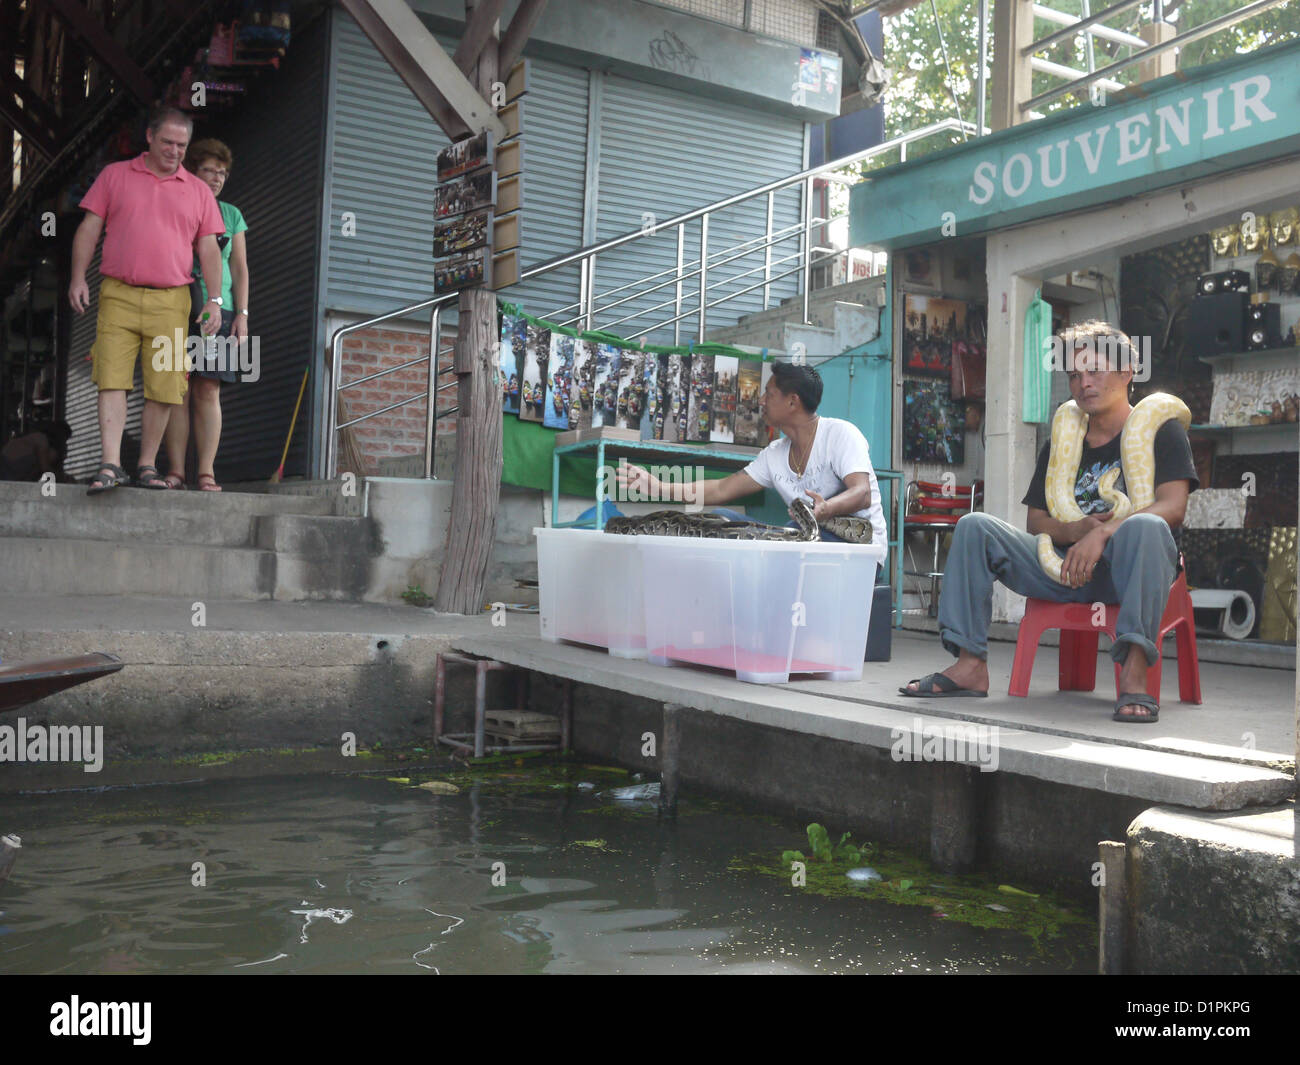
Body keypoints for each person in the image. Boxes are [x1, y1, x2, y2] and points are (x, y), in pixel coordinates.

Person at [900, 321, 1198, 723]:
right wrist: (1075, 532)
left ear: (1127, 372)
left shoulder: (1161, 430)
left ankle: (1134, 674)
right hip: (1063, 565)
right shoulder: (1062, 440)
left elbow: (1173, 506)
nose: (1083, 383)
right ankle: (970, 664)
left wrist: (1106, 533)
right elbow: (1037, 519)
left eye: (1095, 371)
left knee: (1145, 527)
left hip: (1132, 571)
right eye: (1074, 375)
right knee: (974, 527)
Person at [68, 106, 224, 493]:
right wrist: (76, 278)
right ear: (150, 137)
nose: (175, 151)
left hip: (172, 300)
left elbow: (208, 249)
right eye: (168, 142)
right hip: (118, 294)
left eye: (182, 145)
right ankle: (109, 464)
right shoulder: (115, 175)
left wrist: (215, 300)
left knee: (165, 386)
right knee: (112, 379)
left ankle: (146, 466)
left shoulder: (199, 191)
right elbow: (89, 229)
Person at [618, 361, 888, 548]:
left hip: (858, 547)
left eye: (768, 395)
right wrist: (657, 486)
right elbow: (721, 489)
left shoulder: (840, 434)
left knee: (790, 542)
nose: (760, 401)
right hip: (807, 539)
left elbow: (861, 493)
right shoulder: (774, 454)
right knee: (723, 517)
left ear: (792, 401)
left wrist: (826, 509)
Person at [161, 138, 250, 492]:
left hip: (222, 309)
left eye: (222, 173)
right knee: (175, 388)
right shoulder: (172, 204)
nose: (216, 178)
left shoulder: (231, 214)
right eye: (209, 171)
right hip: (175, 303)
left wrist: (242, 314)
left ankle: (207, 472)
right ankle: (176, 471)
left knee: (209, 388)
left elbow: (240, 267)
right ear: (192, 171)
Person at [0, 420, 72, 482]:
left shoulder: (43, 443)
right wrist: (63, 478)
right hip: (6, 466)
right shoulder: (41, 438)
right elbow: (45, 468)